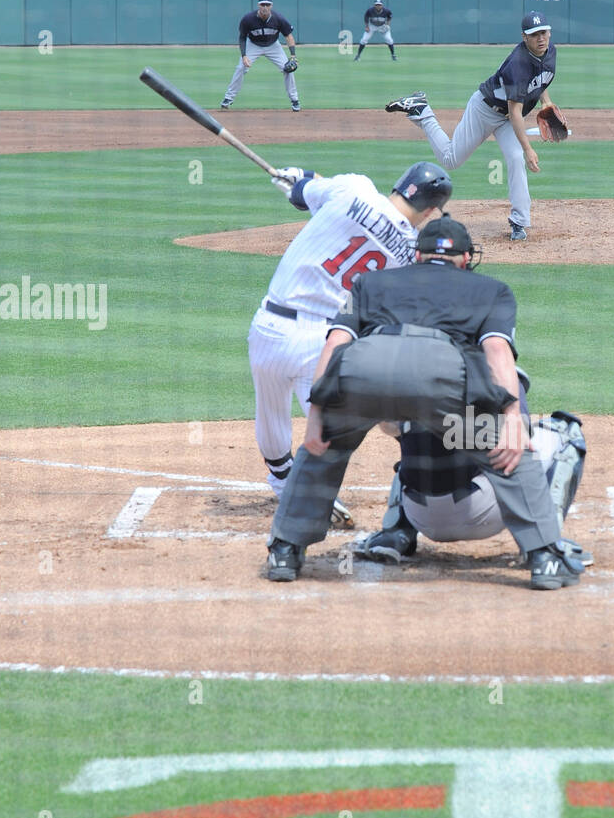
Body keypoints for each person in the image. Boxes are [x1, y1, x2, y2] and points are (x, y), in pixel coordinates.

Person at [264, 215, 584, 591]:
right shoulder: (492, 289)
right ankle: (545, 557)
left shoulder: (368, 282)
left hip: (365, 371)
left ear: (417, 255)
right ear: (465, 259)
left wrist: (318, 417)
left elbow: (335, 342)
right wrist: (512, 418)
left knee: (320, 452)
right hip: (441, 378)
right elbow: (497, 350)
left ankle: (284, 551)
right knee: (511, 454)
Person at [248, 160, 452, 507]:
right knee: (332, 423)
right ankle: (322, 485)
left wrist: (298, 179)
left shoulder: (354, 187)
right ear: (432, 210)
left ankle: (283, 478)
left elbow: (303, 194)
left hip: (267, 326)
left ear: (400, 183)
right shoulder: (410, 253)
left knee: (270, 411)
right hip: (324, 343)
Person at [357, 380, 590, 566]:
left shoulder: (417, 374)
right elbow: (522, 440)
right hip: (480, 514)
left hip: (420, 515)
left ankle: (395, 534)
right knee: (565, 431)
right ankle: (544, 546)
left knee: (415, 454)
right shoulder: (499, 374)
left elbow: (388, 425)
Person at [385, 11, 558, 242]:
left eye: (543, 32)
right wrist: (529, 149)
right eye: (534, 34)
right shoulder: (518, 62)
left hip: (506, 118)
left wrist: (546, 102)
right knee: (451, 160)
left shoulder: (550, 52)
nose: (541, 38)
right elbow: (516, 112)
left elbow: (541, 79)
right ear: (524, 37)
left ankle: (519, 221)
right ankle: (422, 111)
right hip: (484, 111)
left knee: (515, 158)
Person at [220, 0, 300, 112]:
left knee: (288, 68)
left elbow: (288, 36)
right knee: (241, 67)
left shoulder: (278, 18)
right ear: (258, 5)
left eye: (267, 5)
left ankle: (295, 100)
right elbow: (242, 38)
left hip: (273, 46)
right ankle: (228, 98)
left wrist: (293, 56)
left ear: (271, 6)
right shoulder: (248, 19)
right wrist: (244, 55)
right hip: (253, 45)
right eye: (262, 4)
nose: (265, 7)